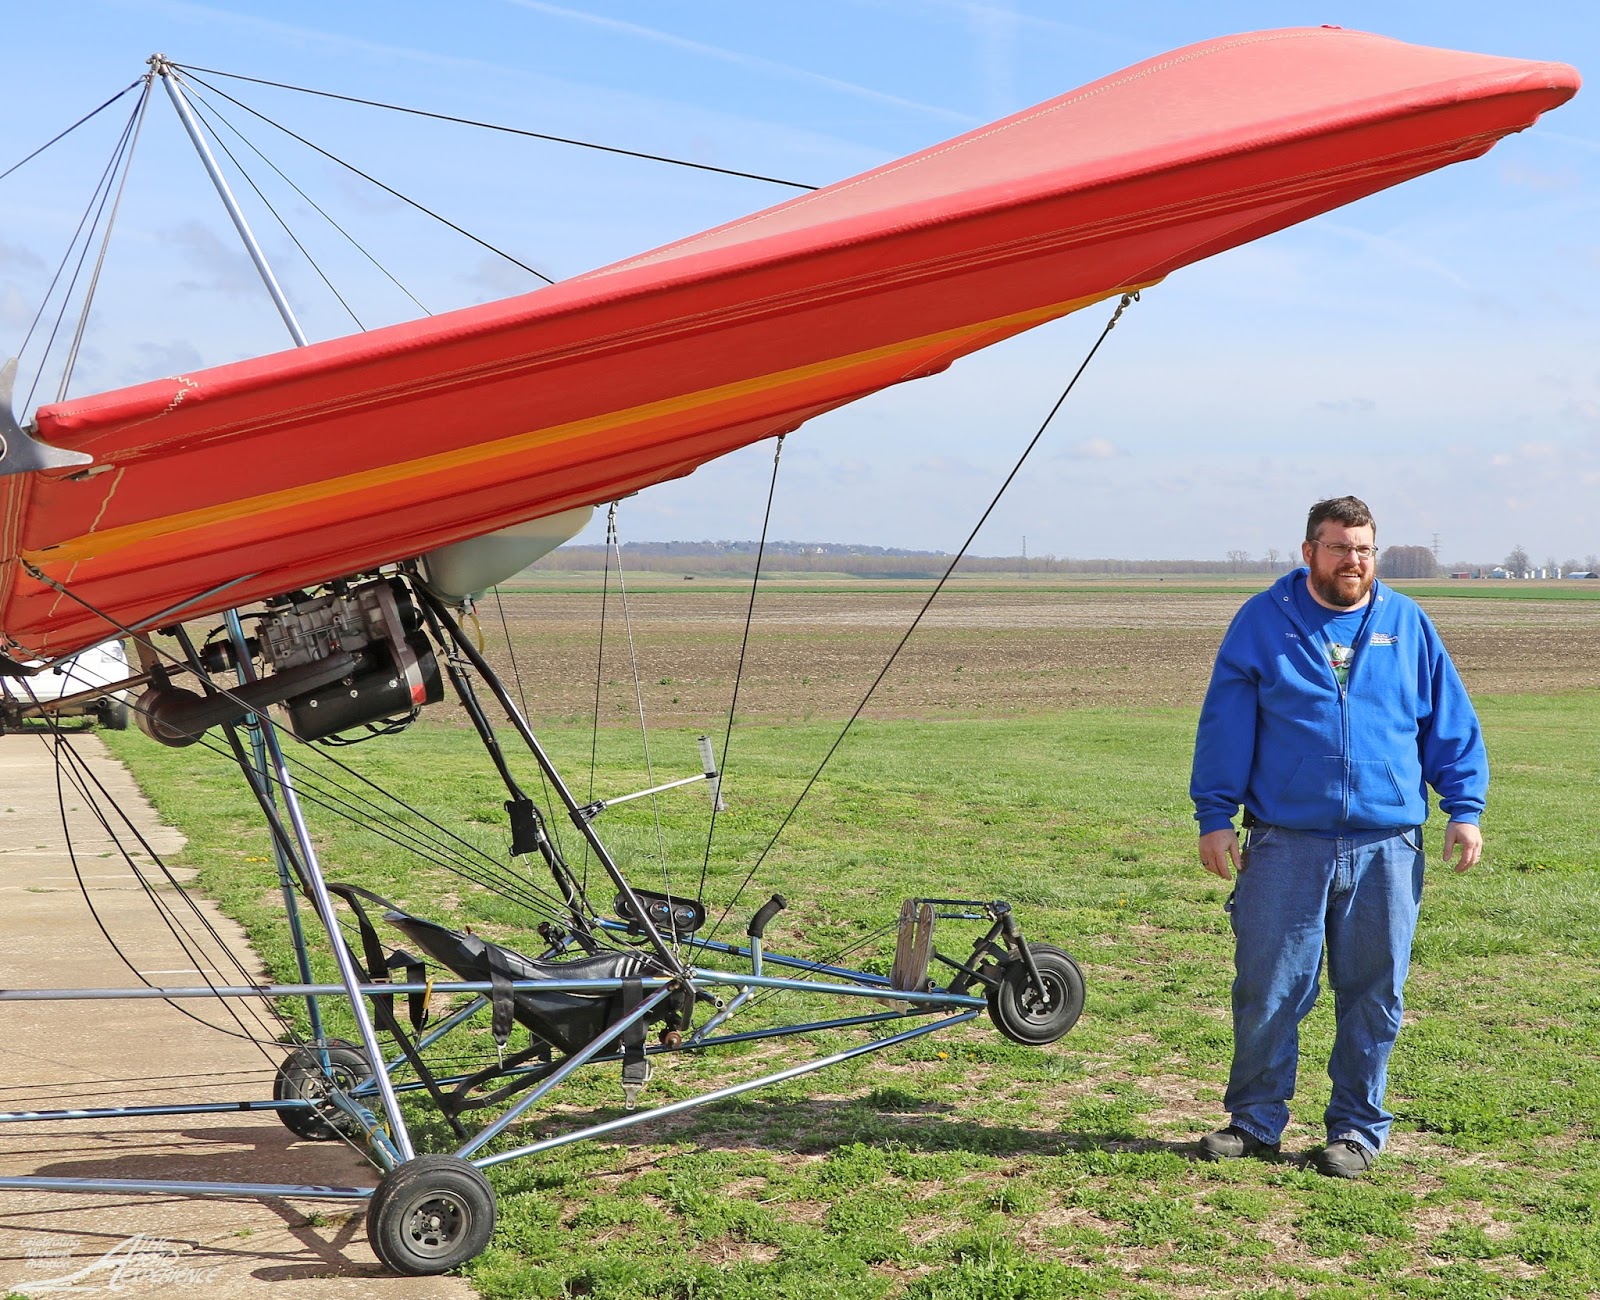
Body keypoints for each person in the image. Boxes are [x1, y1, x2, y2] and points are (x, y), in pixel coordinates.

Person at [1189, 495, 1486, 1178]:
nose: (1353, 561)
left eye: (1363, 549)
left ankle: (1355, 1131)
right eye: (1339, 547)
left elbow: (1450, 724)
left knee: (1375, 994)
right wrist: (1214, 815)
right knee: (1268, 989)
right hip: (1285, 842)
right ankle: (1256, 1123)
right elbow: (1225, 727)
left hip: (1387, 845)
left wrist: (1463, 808)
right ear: (1308, 553)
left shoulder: (1407, 624)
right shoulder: (1263, 624)